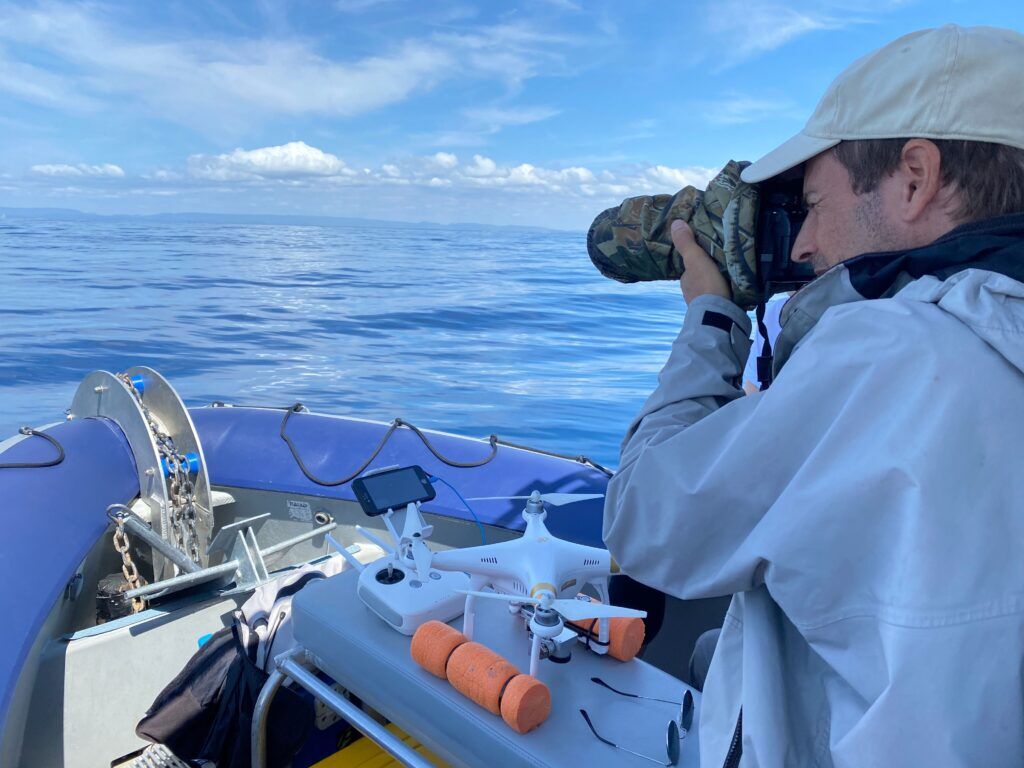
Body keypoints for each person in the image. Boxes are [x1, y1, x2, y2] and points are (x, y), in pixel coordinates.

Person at [602, 24, 1024, 767]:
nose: (799, 249)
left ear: (916, 178)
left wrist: (710, 318)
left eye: (814, 204)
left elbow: (645, 521)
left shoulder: (899, 352)